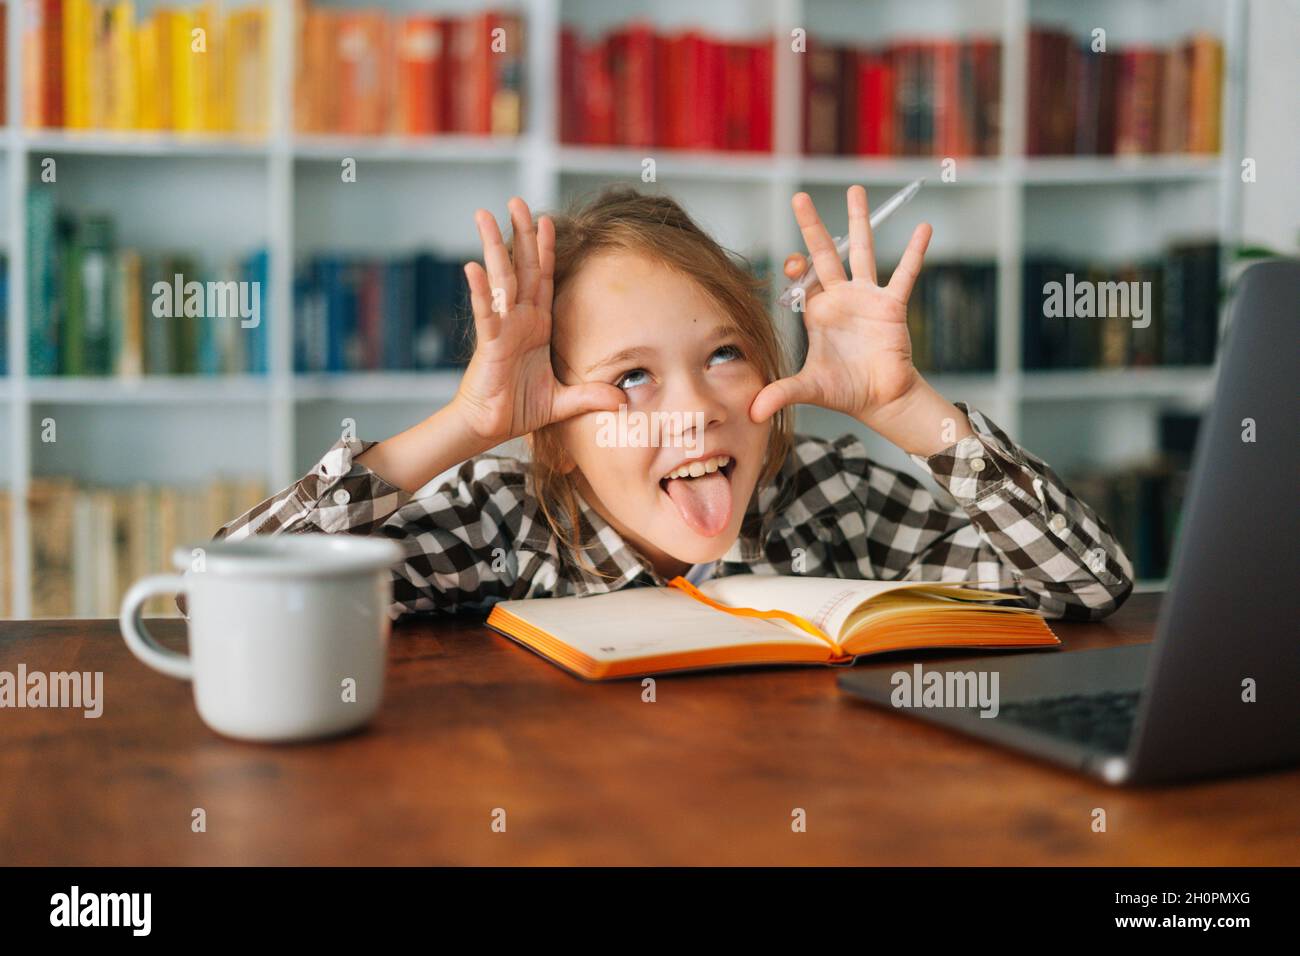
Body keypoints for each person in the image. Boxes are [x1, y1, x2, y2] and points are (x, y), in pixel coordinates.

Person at [213, 184, 1133, 622]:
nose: (692, 409)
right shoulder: (505, 523)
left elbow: (1086, 584)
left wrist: (906, 406)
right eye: (631, 376)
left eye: (725, 353)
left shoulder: (827, 494)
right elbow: (226, 596)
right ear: (560, 436)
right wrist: (464, 428)